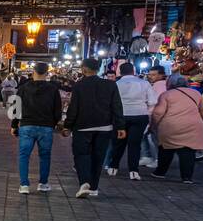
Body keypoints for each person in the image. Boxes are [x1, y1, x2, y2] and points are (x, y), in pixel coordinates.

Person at [61, 58, 125, 199]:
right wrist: (120, 126)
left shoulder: (79, 86)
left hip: (83, 126)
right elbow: (117, 106)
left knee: (81, 154)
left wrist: (67, 126)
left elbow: (73, 108)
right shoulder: (110, 85)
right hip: (104, 127)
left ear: (84, 69)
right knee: (98, 157)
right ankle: (94, 187)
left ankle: (84, 182)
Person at [10, 61, 62, 194]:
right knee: (45, 155)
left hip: (27, 125)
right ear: (47, 73)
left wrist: (14, 125)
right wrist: (55, 123)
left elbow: (15, 108)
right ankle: (43, 183)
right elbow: (57, 110)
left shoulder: (23, 88)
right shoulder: (53, 89)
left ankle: (24, 185)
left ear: (33, 71)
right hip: (46, 126)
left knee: (24, 155)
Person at [149, 74, 203, 185]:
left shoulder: (166, 94)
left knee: (166, 149)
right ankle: (187, 177)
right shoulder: (196, 93)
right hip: (193, 126)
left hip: (171, 126)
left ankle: (160, 172)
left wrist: (153, 125)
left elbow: (158, 112)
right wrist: (201, 121)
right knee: (188, 152)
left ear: (170, 83)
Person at [105, 61, 157, 180]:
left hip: (121, 116)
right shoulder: (145, 84)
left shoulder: (116, 84)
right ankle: (133, 170)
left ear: (120, 72)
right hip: (139, 116)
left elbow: (110, 103)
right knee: (135, 144)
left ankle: (113, 167)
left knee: (118, 143)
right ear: (133, 71)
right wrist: (147, 112)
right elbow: (152, 102)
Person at [139, 65, 169, 168]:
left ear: (161, 75)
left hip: (156, 116)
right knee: (148, 136)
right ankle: (147, 157)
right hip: (156, 115)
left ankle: (156, 159)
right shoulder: (157, 84)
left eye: (153, 75)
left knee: (155, 139)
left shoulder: (160, 85)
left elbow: (156, 102)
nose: (151, 77)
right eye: (150, 75)